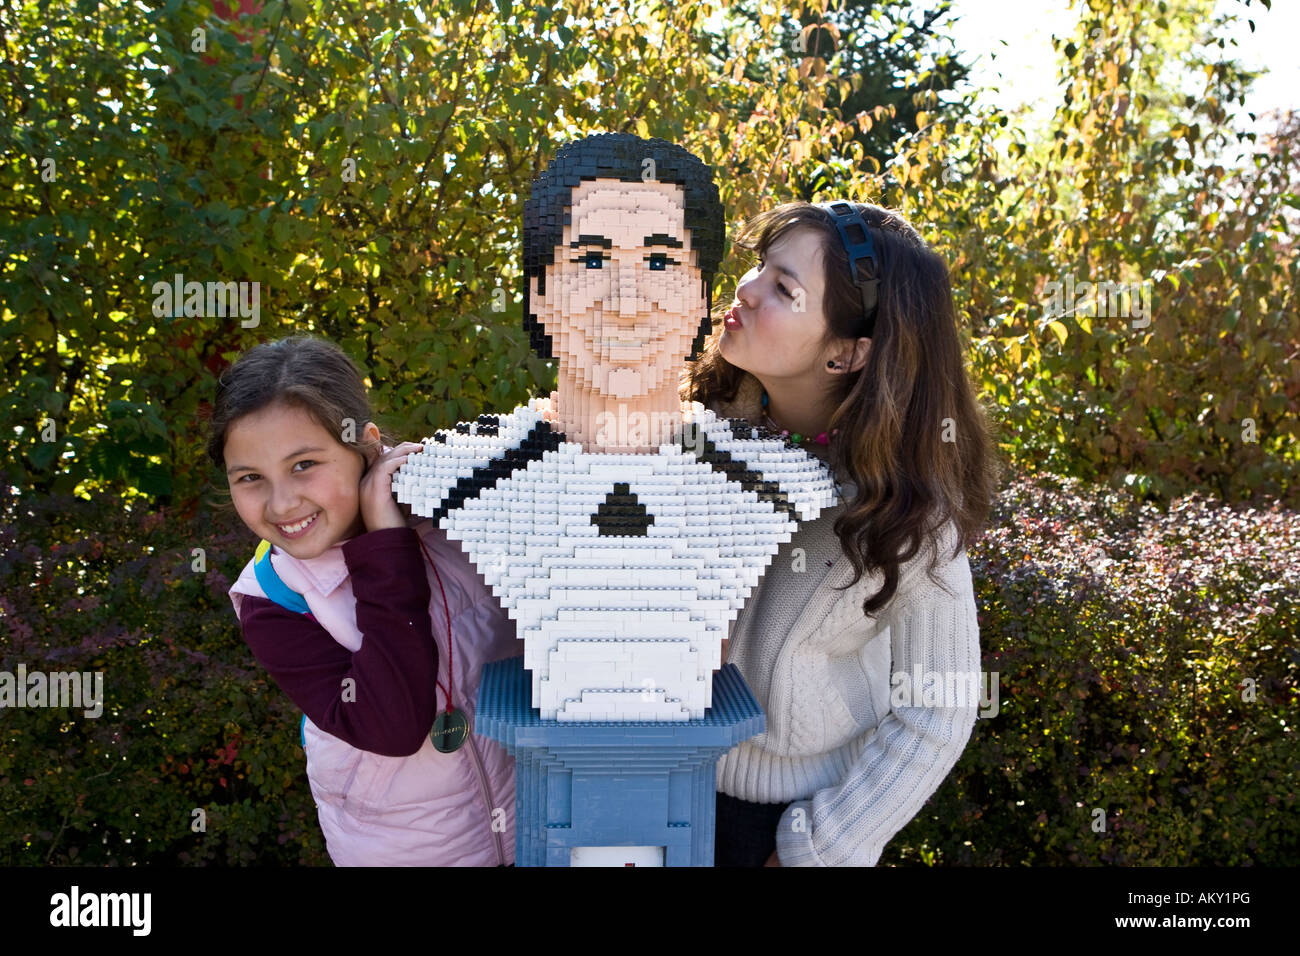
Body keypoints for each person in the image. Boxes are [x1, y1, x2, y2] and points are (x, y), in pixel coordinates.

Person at [684, 200, 1002, 866]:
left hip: (773, 828)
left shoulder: (909, 511)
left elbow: (937, 714)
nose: (745, 288)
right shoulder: (690, 429)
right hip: (643, 782)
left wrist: (815, 848)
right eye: (759, 268)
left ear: (847, 352)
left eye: (784, 289)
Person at [207, 335, 518, 866]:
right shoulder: (273, 598)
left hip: (536, 824)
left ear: (367, 446)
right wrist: (384, 550)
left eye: (304, 464)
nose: (282, 502)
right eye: (251, 478)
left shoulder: (459, 515)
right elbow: (392, 726)